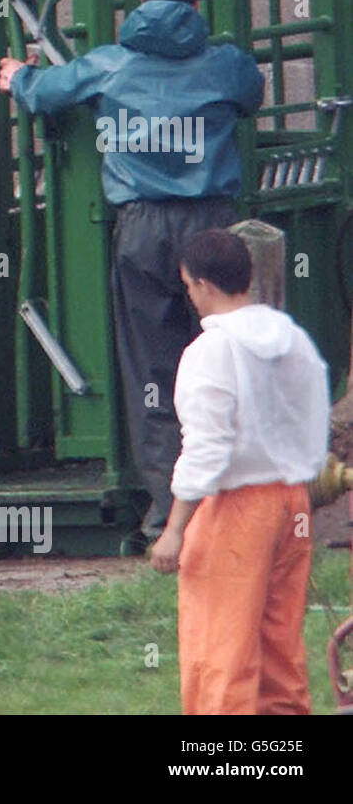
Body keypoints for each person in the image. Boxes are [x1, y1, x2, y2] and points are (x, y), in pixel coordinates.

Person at [0, 0, 265, 542]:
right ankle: (237, 498)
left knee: (153, 367)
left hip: (142, 228)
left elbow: (44, 94)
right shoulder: (224, 65)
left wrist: (18, 73)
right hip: (213, 227)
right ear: (198, 5)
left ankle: (167, 509)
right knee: (227, 360)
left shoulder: (109, 66)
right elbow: (253, 93)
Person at [149, 229, 327, 714]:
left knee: (220, 648)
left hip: (236, 510)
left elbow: (207, 448)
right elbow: (315, 418)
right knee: (280, 645)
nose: (190, 293)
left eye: (188, 284)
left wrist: (174, 528)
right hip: (293, 504)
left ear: (203, 284)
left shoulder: (210, 352)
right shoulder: (292, 339)